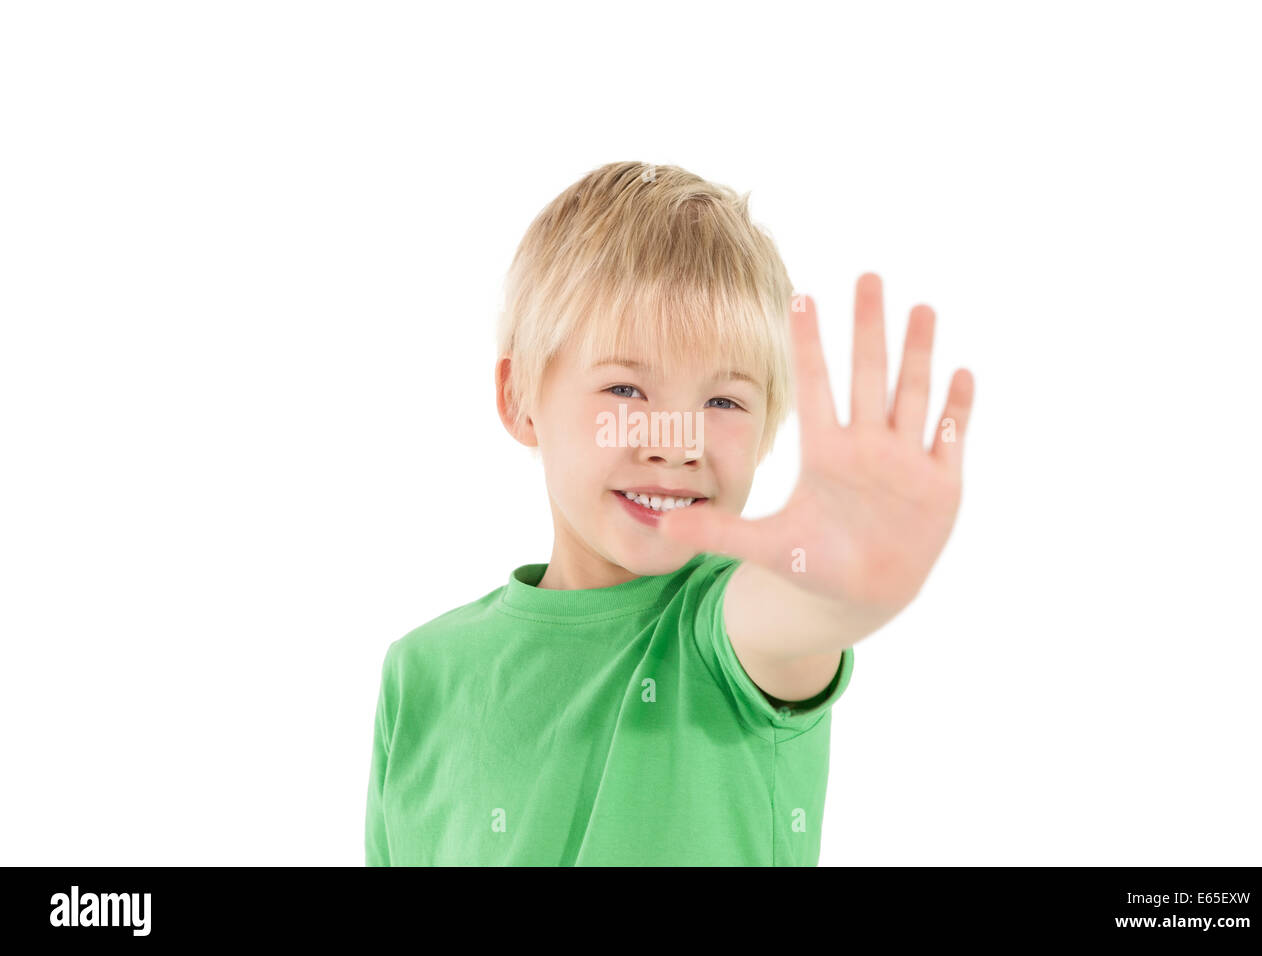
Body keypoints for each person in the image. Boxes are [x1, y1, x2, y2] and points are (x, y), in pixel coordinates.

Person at [365, 161, 975, 865]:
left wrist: (839, 573)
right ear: (520, 396)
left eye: (723, 403)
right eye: (625, 389)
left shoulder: (724, 628)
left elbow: (794, 617)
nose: (674, 443)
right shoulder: (420, 673)